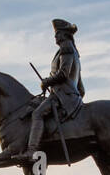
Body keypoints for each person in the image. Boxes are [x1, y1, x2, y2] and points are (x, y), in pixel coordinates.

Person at [24, 18, 85, 165]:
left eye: (57, 33)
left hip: (63, 95)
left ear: (64, 34)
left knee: (37, 114)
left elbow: (63, 73)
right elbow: (81, 87)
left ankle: (32, 151)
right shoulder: (73, 52)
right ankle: (42, 163)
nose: (55, 37)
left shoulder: (67, 48)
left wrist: (47, 81)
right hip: (66, 94)